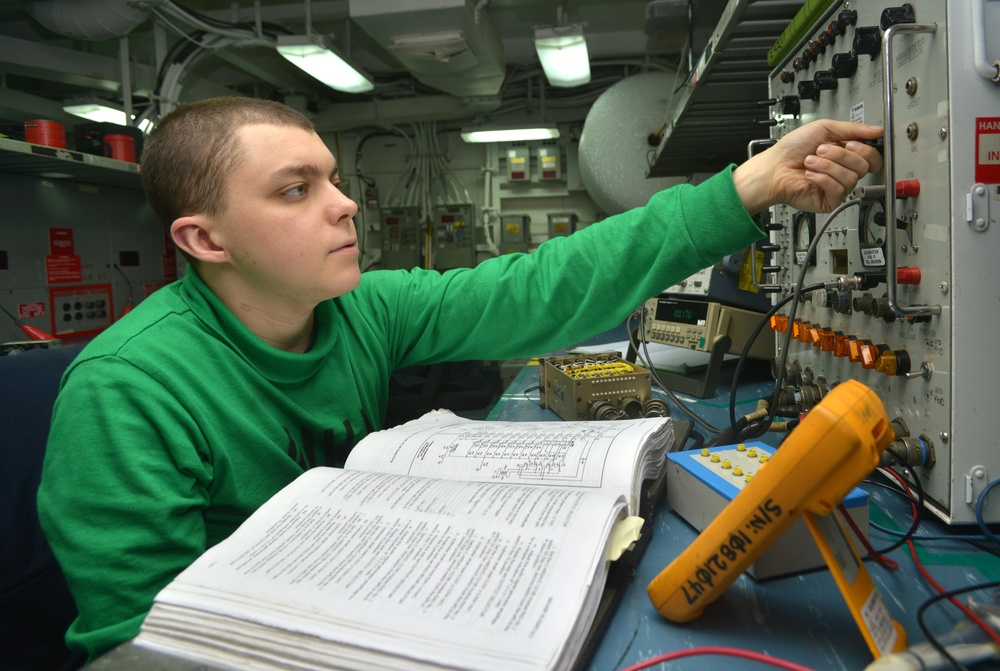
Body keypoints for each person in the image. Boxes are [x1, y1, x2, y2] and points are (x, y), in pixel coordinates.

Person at [37, 96, 884, 662]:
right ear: (206, 241)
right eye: (297, 190)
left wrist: (743, 188)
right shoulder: (127, 391)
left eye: (333, 178)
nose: (345, 205)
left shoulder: (361, 308)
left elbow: (536, 286)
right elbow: (138, 643)